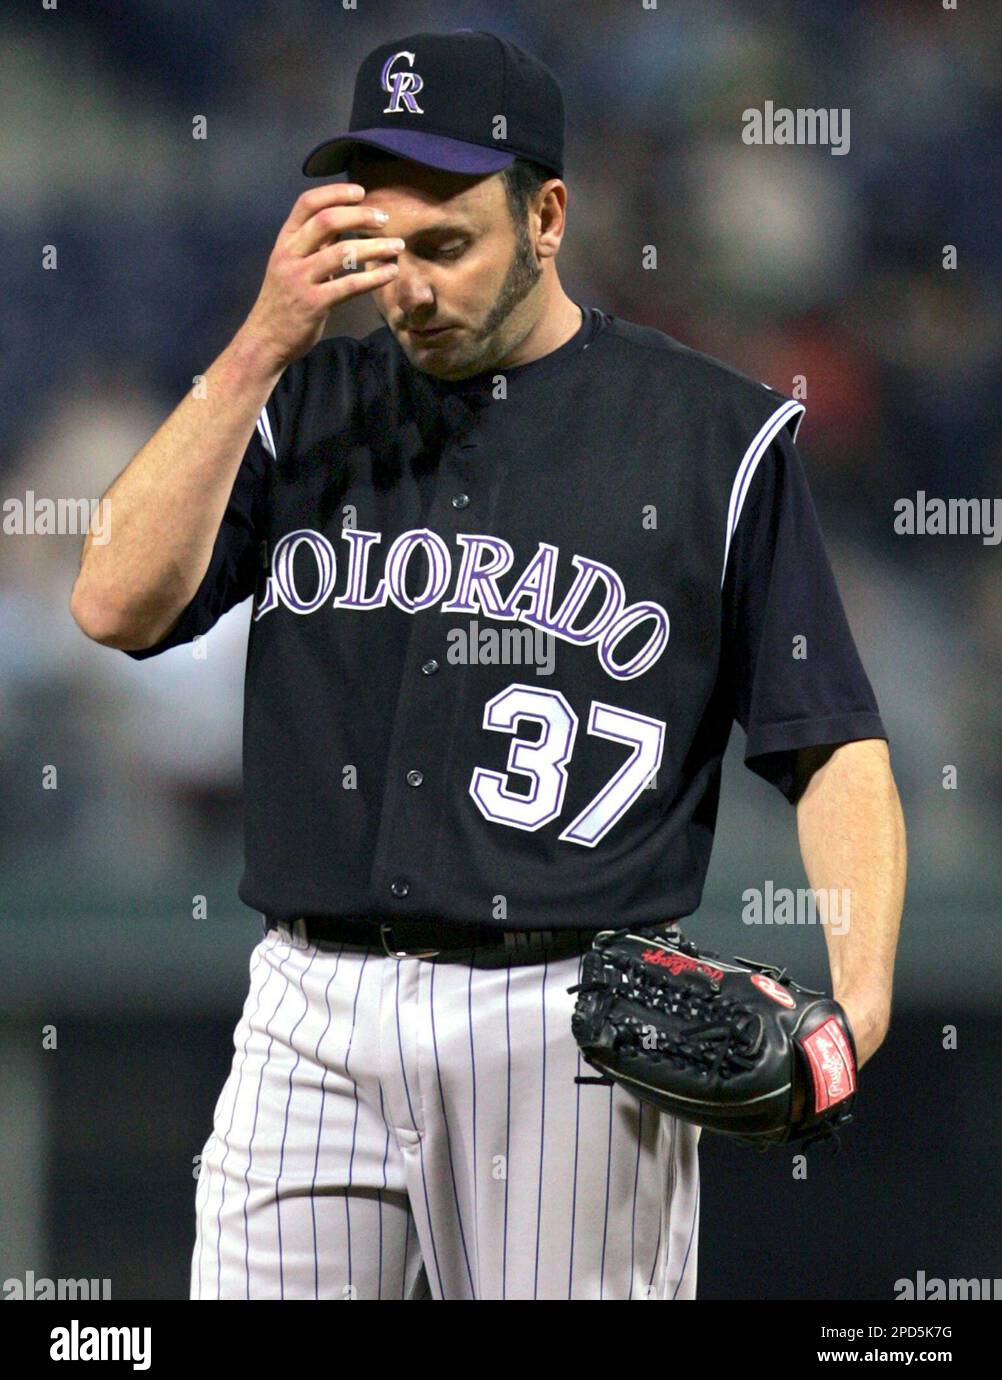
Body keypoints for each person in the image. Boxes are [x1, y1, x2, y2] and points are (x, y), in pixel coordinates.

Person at [70, 29, 905, 1300]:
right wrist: (254, 349)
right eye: (382, 249)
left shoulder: (711, 438)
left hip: (567, 1023)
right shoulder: (302, 402)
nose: (408, 287)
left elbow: (832, 746)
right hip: (309, 1007)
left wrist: (861, 998)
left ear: (549, 213)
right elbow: (111, 602)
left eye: (447, 246)